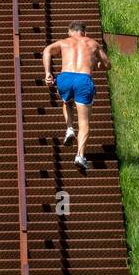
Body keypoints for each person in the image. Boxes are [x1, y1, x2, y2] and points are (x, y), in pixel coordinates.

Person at [43, 22, 111, 172]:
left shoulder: (64, 42)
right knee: (84, 122)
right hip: (83, 79)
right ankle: (80, 156)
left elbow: (47, 50)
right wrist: (98, 64)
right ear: (84, 32)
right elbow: (107, 64)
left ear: (69, 32)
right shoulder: (93, 43)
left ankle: (69, 128)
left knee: (67, 101)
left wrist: (48, 73)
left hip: (65, 77)